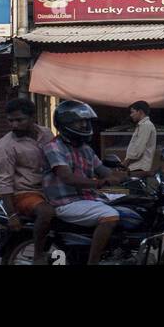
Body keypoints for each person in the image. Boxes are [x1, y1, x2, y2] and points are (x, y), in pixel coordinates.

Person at [42, 99, 125, 265]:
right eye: (80, 122)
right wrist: (100, 183)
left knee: (129, 202)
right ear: (66, 123)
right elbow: (67, 178)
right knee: (110, 215)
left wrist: (134, 176)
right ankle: (92, 262)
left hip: (87, 198)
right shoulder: (54, 147)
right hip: (65, 202)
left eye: (87, 122)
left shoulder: (85, 148)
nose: (85, 126)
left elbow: (105, 171)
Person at [0, 97, 55, 265]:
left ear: (33, 117)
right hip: (25, 193)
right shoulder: (5, 146)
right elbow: (4, 182)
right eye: (10, 120)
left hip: (52, 188)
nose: (14, 125)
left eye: (19, 120)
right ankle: (38, 255)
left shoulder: (46, 133)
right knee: (46, 212)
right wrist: (12, 215)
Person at [124, 101, 156, 182]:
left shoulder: (146, 125)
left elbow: (138, 150)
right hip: (136, 167)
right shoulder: (142, 125)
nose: (131, 115)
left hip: (138, 168)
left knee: (133, 192)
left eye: (132, 112)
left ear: (140, 112)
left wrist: (125, 163)